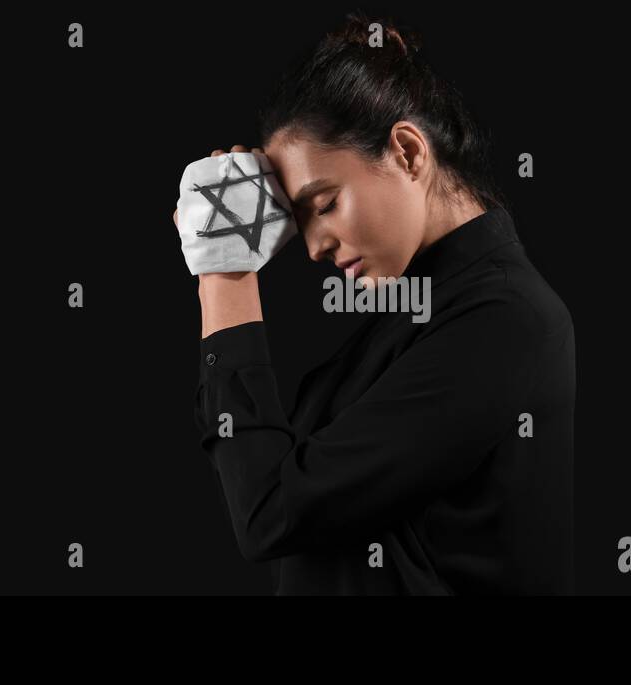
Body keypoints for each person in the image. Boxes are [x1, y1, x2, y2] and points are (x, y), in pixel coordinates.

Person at [176, 12, 576, 594]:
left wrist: (226, 272)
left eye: (325, 203)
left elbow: (268, 512)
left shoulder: (507, 323)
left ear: (409, 153)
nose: (312, 248)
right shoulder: (420, 314)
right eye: (298, 219)